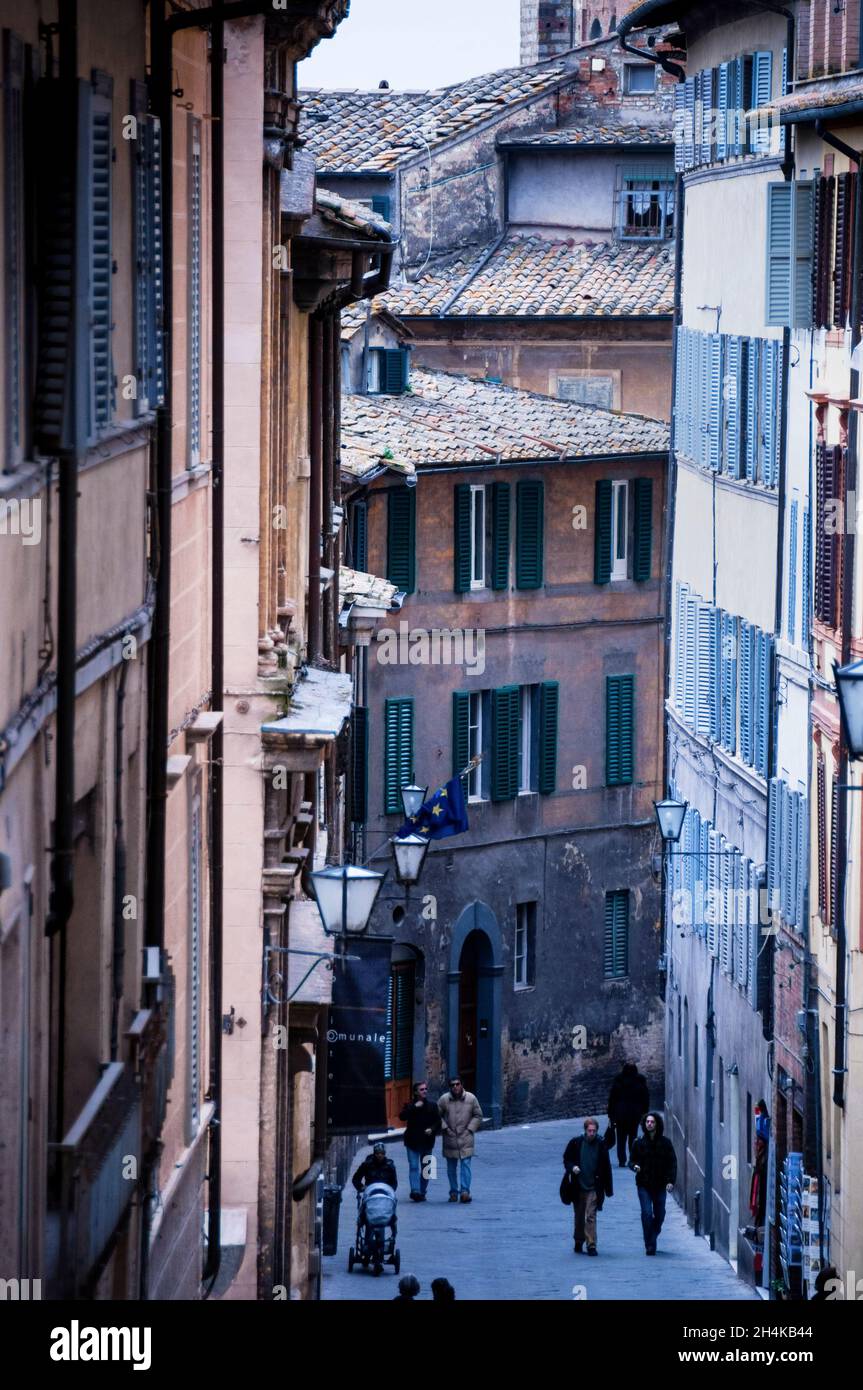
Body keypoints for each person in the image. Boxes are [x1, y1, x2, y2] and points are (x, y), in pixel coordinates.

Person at [562, 1117, 614, 1256]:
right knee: (579, 1216)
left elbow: (606, 1167)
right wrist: (573, 1167)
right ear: (585, 1130)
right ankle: (578, 1241)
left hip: (594, 1187)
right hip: (578, 1186)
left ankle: (591, 1245)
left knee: (590, 1216)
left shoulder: (601, 1144)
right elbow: (567, 1159)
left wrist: (608, 1189)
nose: (592, 1133)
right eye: (589, 1131)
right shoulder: (576, 1143)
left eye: (594, 1131)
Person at [629, 1111, 677, 1255]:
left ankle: (653, 1233)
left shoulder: (665, 1143)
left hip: (660, 1184)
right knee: (647, 1213)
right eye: (647, 1122)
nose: (649, 1124)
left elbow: (672, 1163)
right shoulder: (638, 1143)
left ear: (657, 1124)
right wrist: (635, 1167)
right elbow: (631, 1161)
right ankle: (650, 1244)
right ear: (644, 1124)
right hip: (644, 1184)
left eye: (652, 1122)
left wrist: (671, 1181)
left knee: (660, 1214)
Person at [438, 1076, 483, 1203]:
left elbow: (478, 1115)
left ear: (462, 1085)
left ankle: (465, 1191)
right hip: (450, 1137)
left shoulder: (471, 1098)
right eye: (452, 1085)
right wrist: (445, 1128)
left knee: (466, 1166)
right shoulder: (444, 1099)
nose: (455, 1087)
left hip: (466, 1137)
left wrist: (470, 1129)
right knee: (451, 1168)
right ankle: (453, 1191)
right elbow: (436, 1115)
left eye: (457, 1084)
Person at [399, 1080, 442, 1202]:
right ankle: (415, 1191)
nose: (424, 1091)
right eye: (422, 1089)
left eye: (425, 1089)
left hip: (427, 1141)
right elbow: (402, 1116)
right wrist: (413, 1107)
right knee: (413, 1166)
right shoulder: (409, 1105)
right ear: (416, 1092)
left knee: (427, 1168)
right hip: (412, 1141)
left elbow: (438, 1122)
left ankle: (422, 1191)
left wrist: (432, 1129)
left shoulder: (432, 1106)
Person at [607, 1062, 650, 1168]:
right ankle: (633, 1158)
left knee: (621, 1138)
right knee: (633, 1137)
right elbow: (645, 1099)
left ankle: (622, 1160)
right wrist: (644, 1113)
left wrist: (611, 1115)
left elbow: (612, 1100)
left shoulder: (618, 1081)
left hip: (620, 1114)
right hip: (635, 1115)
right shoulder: (640, 1082)